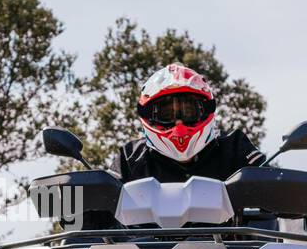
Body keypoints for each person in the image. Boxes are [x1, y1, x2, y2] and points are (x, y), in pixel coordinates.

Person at [113, 63, 264, 183]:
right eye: (166, 114)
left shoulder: (234, 146)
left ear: (205, 110)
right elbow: (97, 206)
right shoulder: (130, 158)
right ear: (148, 116)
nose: (179, 123)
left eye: (189, 112)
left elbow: (272, 185)